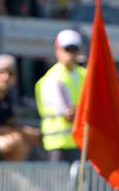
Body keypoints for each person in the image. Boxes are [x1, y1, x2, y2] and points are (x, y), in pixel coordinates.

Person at [34, 28, 85, 162]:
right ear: (57, 50)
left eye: (75, 49)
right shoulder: (52, 79)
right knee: (60, 183)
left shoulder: (84, 75)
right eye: (67, 49)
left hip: (80, 142)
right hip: (58, 143)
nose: (72, 54)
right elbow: (68, 115)